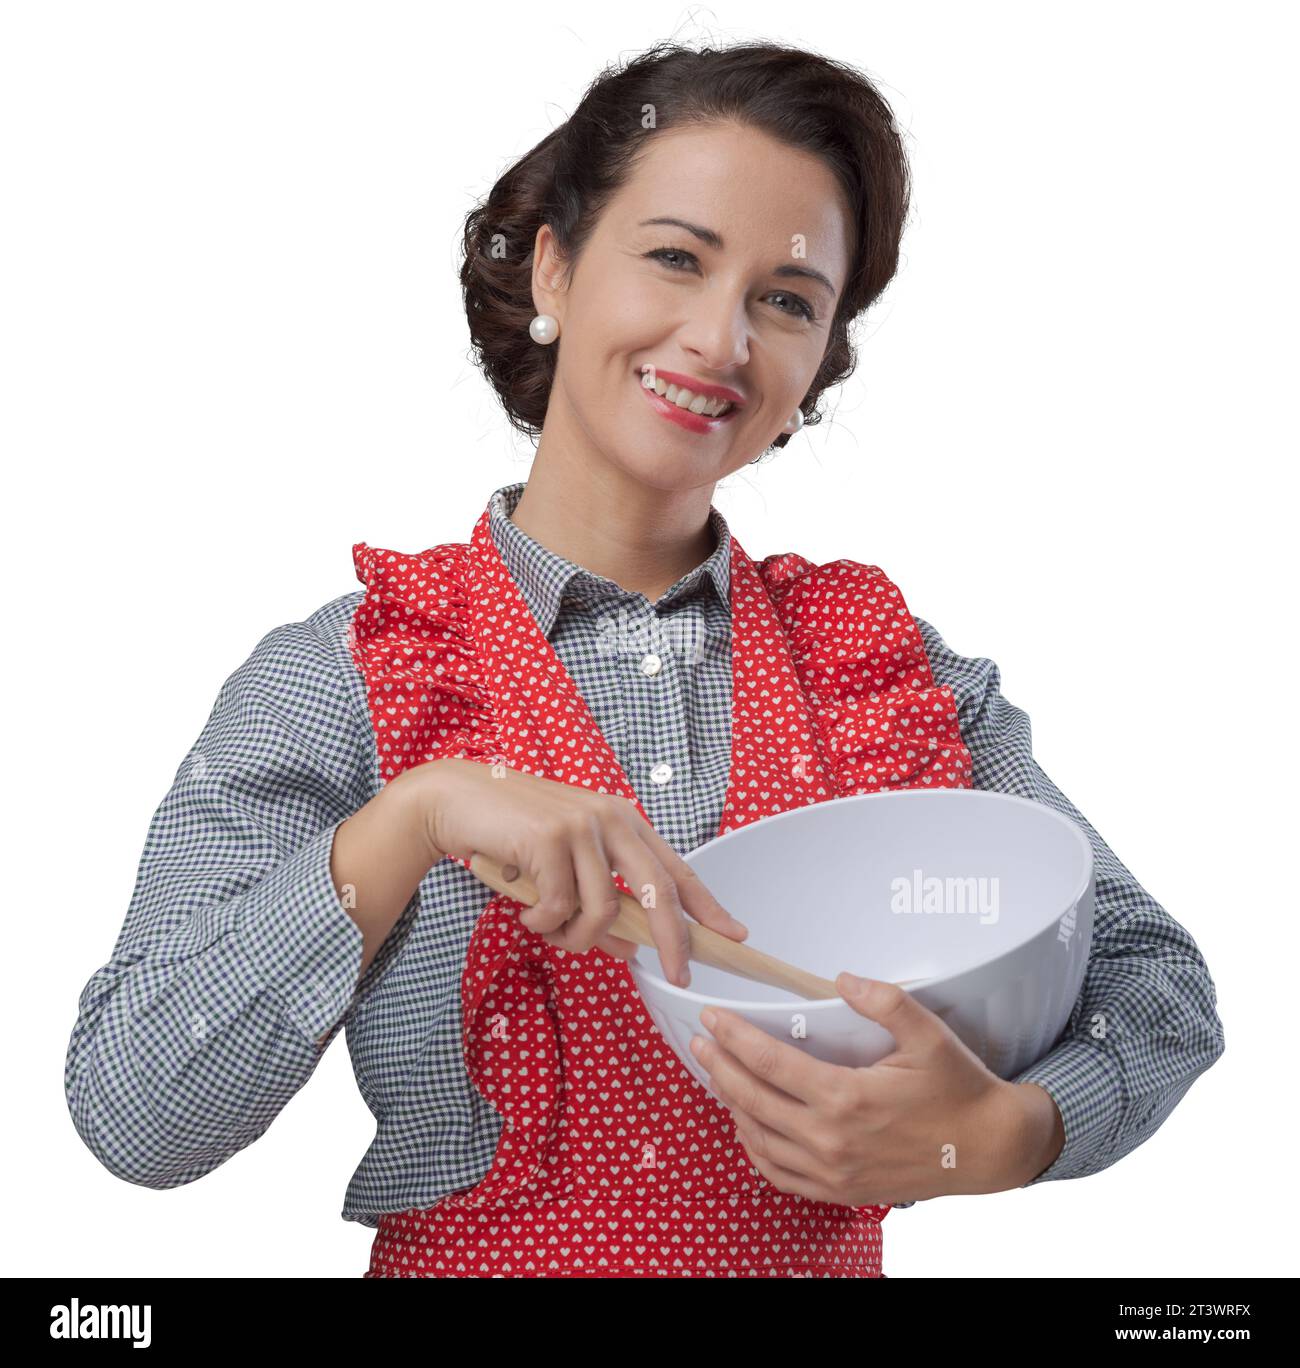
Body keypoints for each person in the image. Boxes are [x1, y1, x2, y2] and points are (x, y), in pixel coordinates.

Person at [64, 40, 1225, 1278]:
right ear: (555, 265)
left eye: (786, 299)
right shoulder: (354, 675)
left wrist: (997, 1137)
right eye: (676, 256)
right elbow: (132, 1111)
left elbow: (1154, 985)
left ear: (812, 370)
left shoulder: (885, 675)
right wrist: (414, 819)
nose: (719, 338)